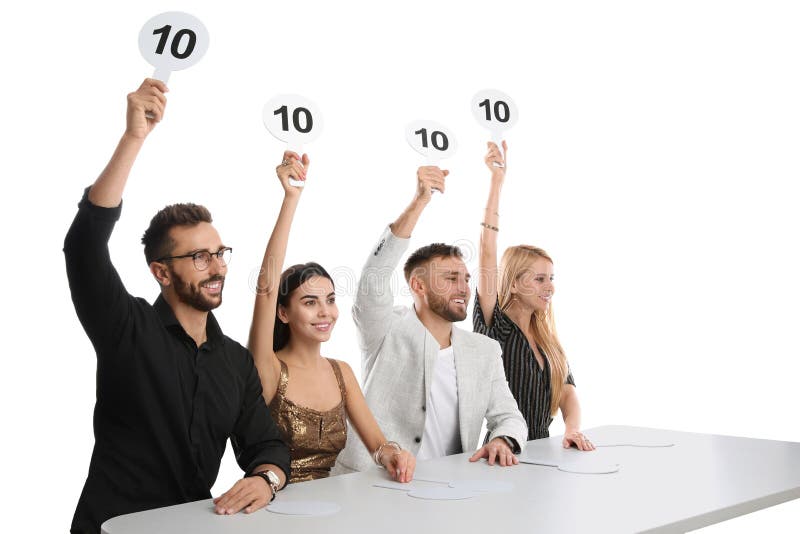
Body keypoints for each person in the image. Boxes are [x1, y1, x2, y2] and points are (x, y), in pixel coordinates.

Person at [64, 79, 290, 534]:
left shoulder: (234, 362)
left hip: (194, 526)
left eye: (219, 253)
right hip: (109, 526)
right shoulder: (126, 328)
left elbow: (266, 444)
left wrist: (267, 479)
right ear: (161, 272)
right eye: (198, 257)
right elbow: (84, 246)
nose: (216, 268)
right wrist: (134, 138)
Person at [335, 165, 528, 474]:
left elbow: (509, 417)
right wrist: (419, 200)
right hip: (371, 486)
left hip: (448, 492)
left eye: (465, 278)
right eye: (451, 278)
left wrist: (503, 440)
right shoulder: (385, 329)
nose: (464, 287)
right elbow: (374, 278)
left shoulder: (484, 350)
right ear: (418, 286)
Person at [248, 151, 415, 483]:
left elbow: (378, 446)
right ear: (283, 312)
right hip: (270, 506)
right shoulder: (268, 366)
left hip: (330, 507)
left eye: (330, 299)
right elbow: (267, 289)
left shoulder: (341, 372)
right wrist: (291, 199)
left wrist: (393, 453)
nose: (325, 311)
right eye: (310, 302)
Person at [473, 141, 594, 450]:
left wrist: (572, 429)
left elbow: (567, 392)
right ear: (512, 283)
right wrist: (496, 181)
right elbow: (487, 249)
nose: (549, 287)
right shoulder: (494, 326)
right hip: (504, 452)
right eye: (539, 279)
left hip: (547, 452)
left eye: (551, 278)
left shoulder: (546, 338)